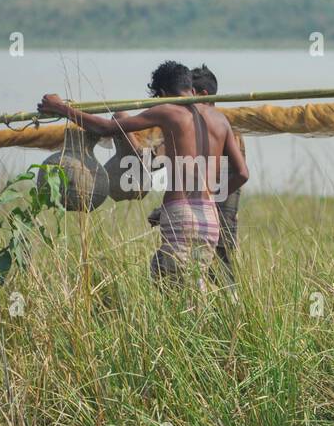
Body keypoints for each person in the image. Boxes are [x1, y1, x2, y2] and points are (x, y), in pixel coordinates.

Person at [38, 60, 249, 286]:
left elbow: (106, 128)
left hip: (180, 216)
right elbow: (242, 174)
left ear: (163, 93)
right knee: (195, 289)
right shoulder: (220, 120)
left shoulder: (169, 110)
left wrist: (61, 108)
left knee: (170, 285)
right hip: (209, 219)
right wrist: (210, 197)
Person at [189, 64, 244, 285]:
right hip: (199, 212)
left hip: (219, 214)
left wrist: (211, 198)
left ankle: (232, 313)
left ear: (202, 95)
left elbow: (240, 174)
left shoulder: (221, 126)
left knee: (221, 268)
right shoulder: (196, 124)